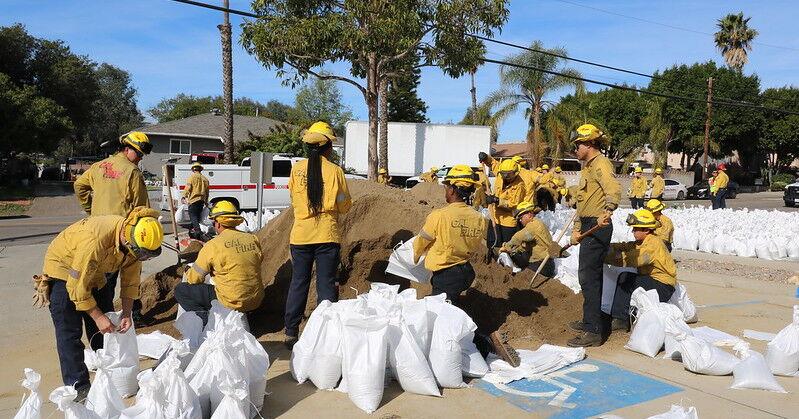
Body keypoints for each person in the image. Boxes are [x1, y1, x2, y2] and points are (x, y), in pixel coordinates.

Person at [36, 207, 162, 397]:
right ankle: (78, 386)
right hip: (65, 270)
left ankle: (109, 373)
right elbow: (77, 287)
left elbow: (131, 281)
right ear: (126, 237)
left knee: (107, 326)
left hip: (95, 272)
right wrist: (97, 316)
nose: (141, 257)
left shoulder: (135, 242)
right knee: (69, 332)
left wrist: (127, 313)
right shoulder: (95, 240)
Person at [413, 165, 519, 366]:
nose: (445, 191)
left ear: (453, 190)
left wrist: (416, 255)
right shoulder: (478, 218)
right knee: (451, 308)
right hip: (464, 271)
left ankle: (485, 341)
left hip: (446, 274)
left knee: (442, 317)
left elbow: (421, 241)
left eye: (446, 187)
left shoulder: (439, 216)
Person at [284, 122, 352, 349]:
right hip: (326, 235)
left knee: (298, 283)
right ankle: (327, 334)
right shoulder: (335, 171)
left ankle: (291, 332)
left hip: (301, 235)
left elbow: (293, 196)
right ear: (328, 147)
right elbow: (344, 204)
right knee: (326, 284)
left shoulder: (296, 169)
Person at [73, 131, 152, 324]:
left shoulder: (98, 166)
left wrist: (90, 209)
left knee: (101, 279)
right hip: (122, 236)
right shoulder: (132, 172)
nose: (140, 158)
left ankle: (100, 318)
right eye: (138, 154)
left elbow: (79, 186)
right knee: (130, 275)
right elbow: (142, 210)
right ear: (126, 149)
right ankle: (130, 316)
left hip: (96, 233)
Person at [568, 124, 621, 348]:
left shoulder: (601, 164)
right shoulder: (588, 167)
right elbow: (583, 203)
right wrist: (577, 228)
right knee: (587, 277)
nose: (576, 149)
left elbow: (613, 190)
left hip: (598, 224)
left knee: (589, 278)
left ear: (590, 144)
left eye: (578, 145)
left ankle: (593, 331)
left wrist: (607, 211)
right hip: (588, 223)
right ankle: (591, 321)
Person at [175, 200, 264, 325]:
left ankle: (206, 322)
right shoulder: (252, 239)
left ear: (218, 223)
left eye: (214, 222)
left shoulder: (213, 245)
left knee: (181, 290)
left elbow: (194, 279)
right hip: (256, 299)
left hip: (231, 301)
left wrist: (188, 271)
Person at [604, 209, 677, 331]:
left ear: (646, 230)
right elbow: (625, 246)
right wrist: (605, 247)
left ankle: (620, 319)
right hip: (653, 281)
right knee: (630, 277)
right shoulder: (642, 241)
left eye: (635, 229)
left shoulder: (652, 245)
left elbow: (631, 259)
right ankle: (623, 314)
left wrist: (605, 257)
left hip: (663, 286)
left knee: (626, 278)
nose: (633, 231)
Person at [500, 201, 562, 277]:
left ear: (529, 214)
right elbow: (527, 245)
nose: (520, 220)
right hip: (545, 263)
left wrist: (506, 247)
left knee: (522, 277)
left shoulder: (533, 226)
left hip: (542, 265)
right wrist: (516, 250)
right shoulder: (536, 223)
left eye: (521, 218)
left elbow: (518, 237)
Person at [484, 159, 527, 250]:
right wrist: (485, 158)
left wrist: (496, 200)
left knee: (506, 248)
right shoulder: (500, 175)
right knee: (491, 244)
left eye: (508, 175)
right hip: (495, 218)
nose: (506, 177)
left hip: (508, 222)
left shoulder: (520, 186)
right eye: (503, 174)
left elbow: (513, 204)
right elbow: (493, 163)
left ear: (515, 173)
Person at [183, 162, 210, 240]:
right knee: (196, 218)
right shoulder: (205, 179)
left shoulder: (192, 177)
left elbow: (188, 188)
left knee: (193, 217)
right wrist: (206, 201)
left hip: (193, 200)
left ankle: (198, 232)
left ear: (193, 169)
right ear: (200, 170)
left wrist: (184, 196)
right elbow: (207, 192)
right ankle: (191, 233)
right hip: (201, 201)